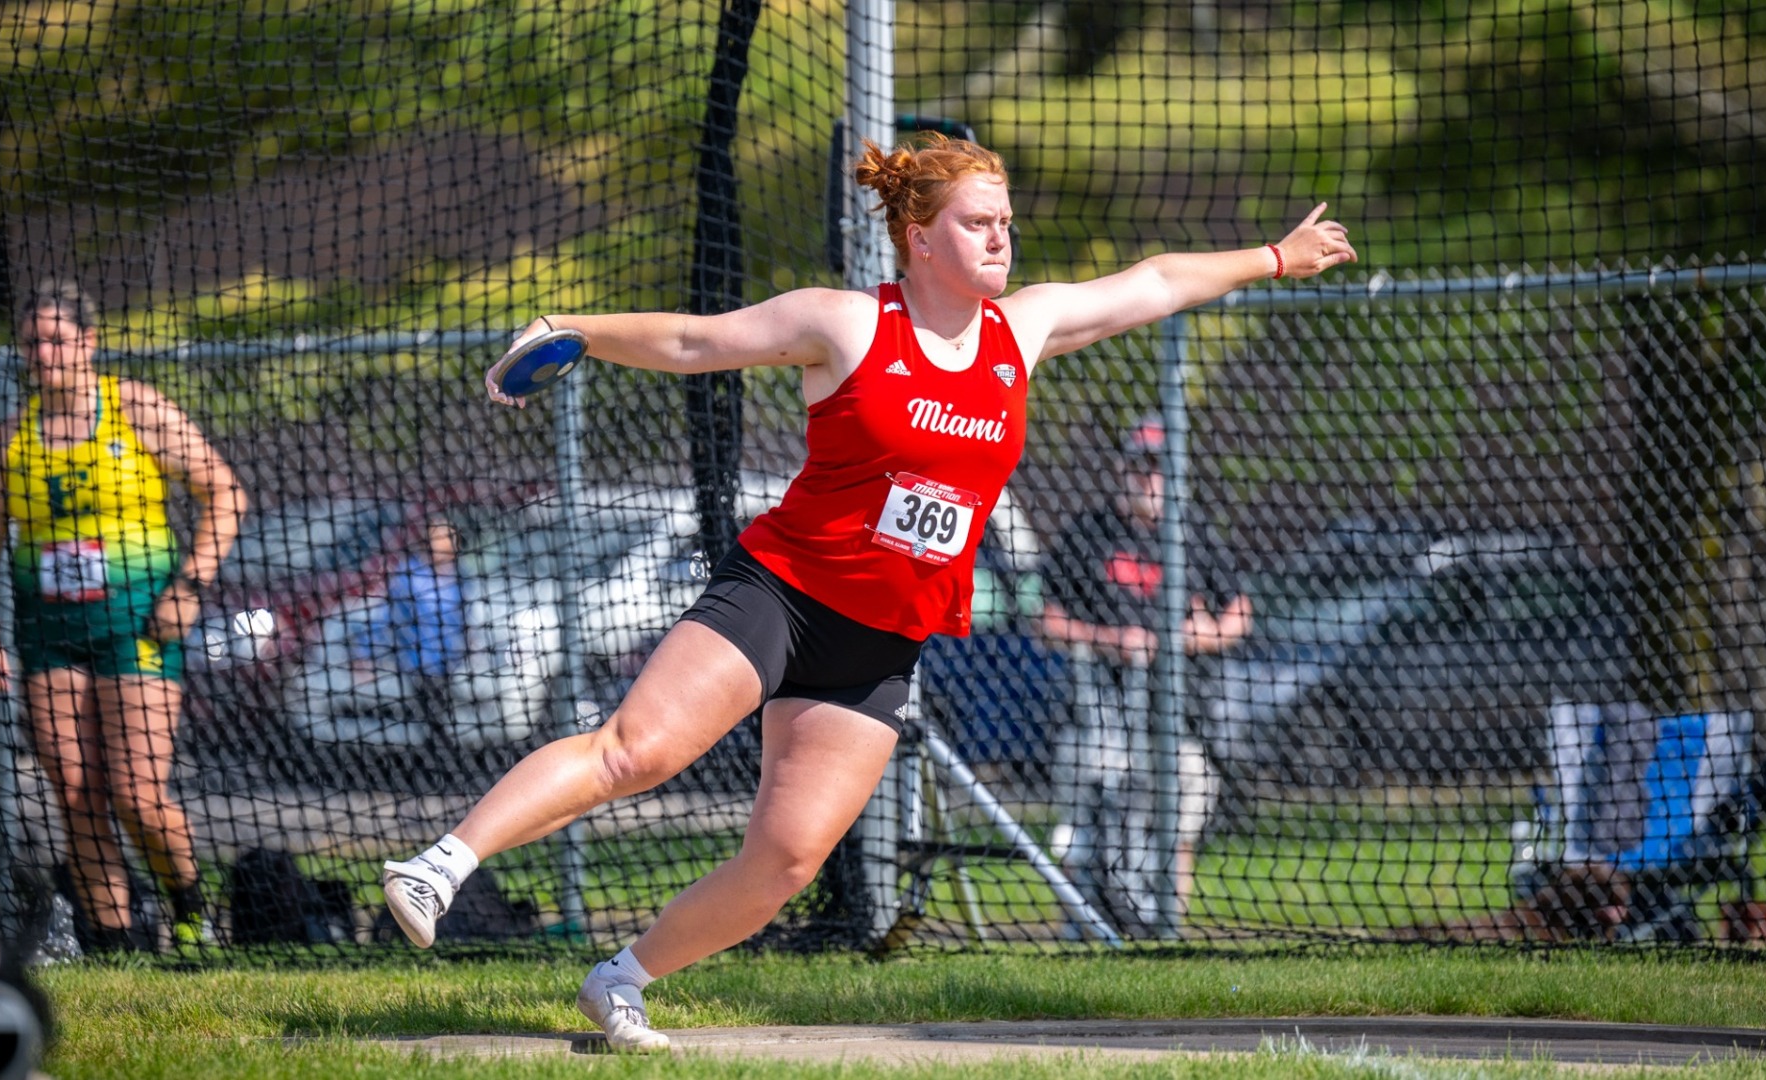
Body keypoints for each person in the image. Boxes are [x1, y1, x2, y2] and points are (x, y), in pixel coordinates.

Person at [382, 134, 1354, 1051]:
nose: (1001, 237)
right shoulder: (846, 323)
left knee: (788, 860)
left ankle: (620, 980)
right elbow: (691, 343)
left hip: (881, 640)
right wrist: (574, 330)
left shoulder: (1023, 330)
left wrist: (1275, 254)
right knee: (638, 751)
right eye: (980, 222)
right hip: (782, 594)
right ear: (920, 238)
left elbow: (1156, 280)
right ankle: (439, 869)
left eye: (1007, 221)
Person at [0, 279, 246, 952]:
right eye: (33, 342)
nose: (44, 353)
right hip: (49, 633)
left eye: (57, 339)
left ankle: (189, 913)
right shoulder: (10, 439)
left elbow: (225, 493)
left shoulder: (136, 409)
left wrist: (190, 586)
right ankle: (113, 940)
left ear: (88, 343)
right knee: (72, 788)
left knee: (135, 791)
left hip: (137, 626)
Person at [1037, 416, 1252, 936]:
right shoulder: (1088, 535)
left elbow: (1240, 615)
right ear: (1121, 469)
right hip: (1097, 714)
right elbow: (1046, 619)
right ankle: (1081, 927)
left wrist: (1180, 640)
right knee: (1085, 822)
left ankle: (1164, 930)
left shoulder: (1193, 533)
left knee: (1176, 822)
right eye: (1138, 466)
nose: (1147, 479)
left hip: (1178, 716)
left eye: (1158, 468)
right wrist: (1112, 640)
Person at [377, 515, 468, 728]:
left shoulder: (461, 577)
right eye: (438, 537)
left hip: (453, 667)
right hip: (418, 667)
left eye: (449, 538)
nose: (444, 543)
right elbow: (389, 620)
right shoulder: (409, 575)